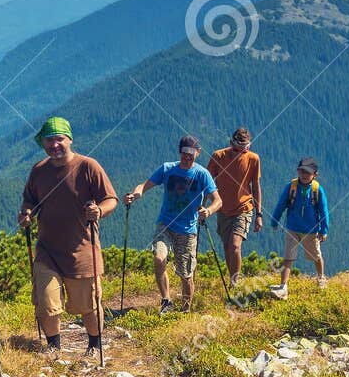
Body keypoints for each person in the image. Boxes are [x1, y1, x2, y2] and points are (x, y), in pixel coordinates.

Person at [18, 116, 118, 358]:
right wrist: (27, 213)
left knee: (89, 306)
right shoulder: (39, 170)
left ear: (69, 139)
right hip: (47, 250)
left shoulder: (88, 166)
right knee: (46, 303)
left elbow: (110, 199)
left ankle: (94, 345)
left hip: (82, 249)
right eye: (48, 140)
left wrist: (99, 211)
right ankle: (54, 347)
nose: (54, 145)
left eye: (59, 139)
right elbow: (30, 200)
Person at [123, 134, 220, 312]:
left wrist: (209, 211)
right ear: (179, 151)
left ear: (198, 152)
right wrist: (135, 195)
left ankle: (185, 310)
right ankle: (166, 301)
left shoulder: (202, 174)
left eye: (191, 152)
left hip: (188, 230)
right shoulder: (167, 169)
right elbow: (145, 185)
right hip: (165, 224)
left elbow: (218, 200)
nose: (187, 156)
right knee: (159, 258)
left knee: (185, 274)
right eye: (184, 152)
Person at [207, 127, 263, 287]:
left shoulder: (253, 159)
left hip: (244, 208)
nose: (241, 152)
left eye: (244, 148)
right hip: (222, 209)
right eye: (238, 148)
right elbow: (207, 181)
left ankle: (235, 282)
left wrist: (259, 214)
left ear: (248, 146)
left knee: (235, 245)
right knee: (226, 246)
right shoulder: (218, 156)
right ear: (231, 143)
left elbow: (256, 186)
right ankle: (232, 277)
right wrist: (202, 205)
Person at [271, 156, 329, 296]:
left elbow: (324, 211)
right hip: (292, 228)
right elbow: (281, 205)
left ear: (315, 174)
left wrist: (324, 230)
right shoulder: (291, 187)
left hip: (311, 230)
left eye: (307, 173)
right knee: (288, 257)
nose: (304, 175)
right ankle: (283, 285)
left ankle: (321, 278)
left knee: (315, 255)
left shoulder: (317, 190)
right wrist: (275, 220)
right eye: (301, 171)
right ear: (298, 171)